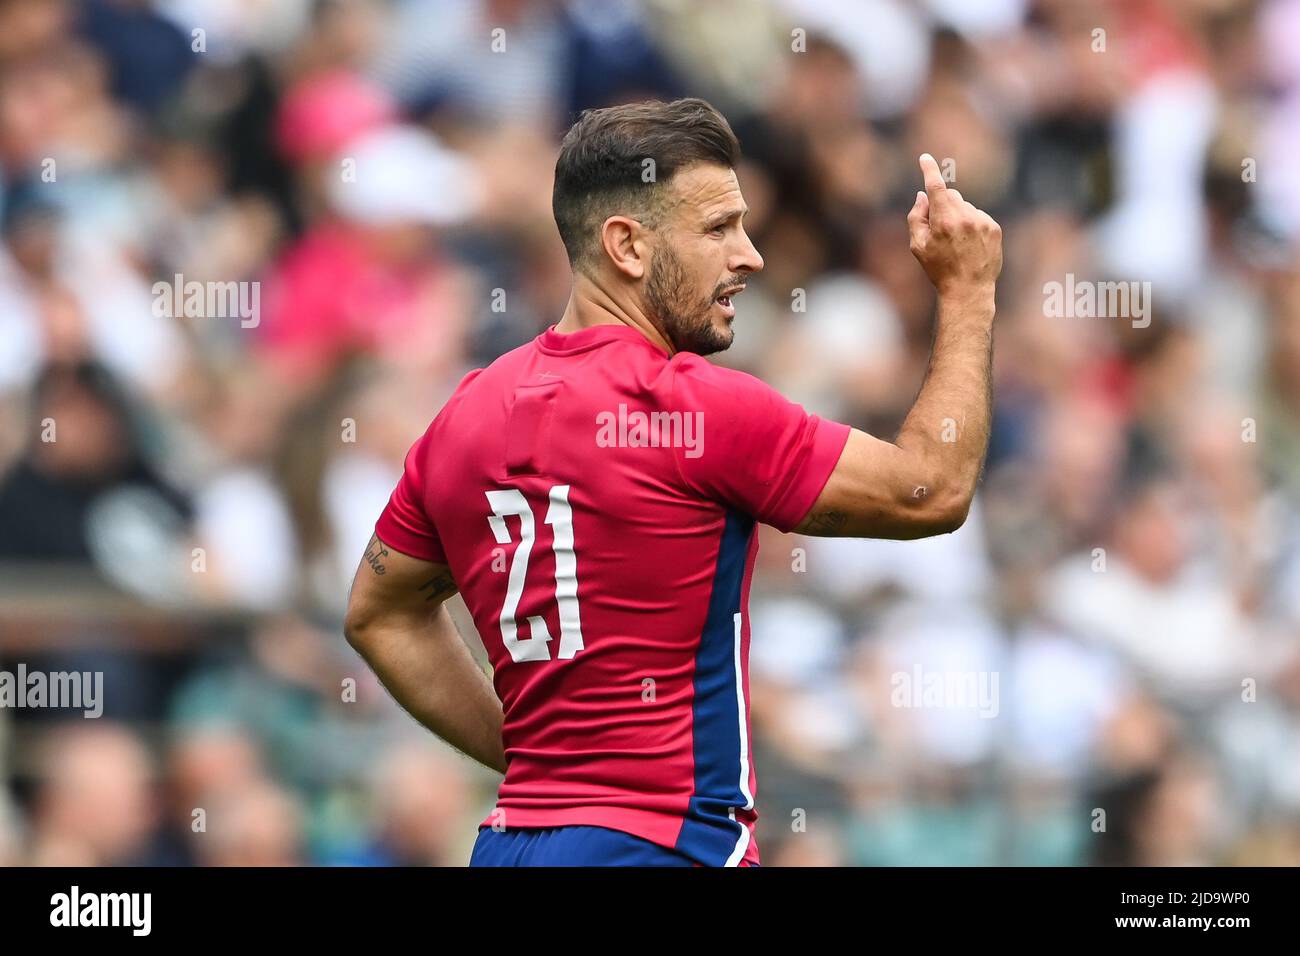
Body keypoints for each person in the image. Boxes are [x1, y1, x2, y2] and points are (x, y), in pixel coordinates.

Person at [343, 98, 1002, 866]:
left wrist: (544, 773)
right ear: (626, 245)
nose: (750, 255)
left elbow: (377, 615)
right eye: (718, 228)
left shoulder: (464, 416)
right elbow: (933, 489)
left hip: (511, 848)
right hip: (664, 846)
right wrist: (968, 294)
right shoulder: (692, 408)